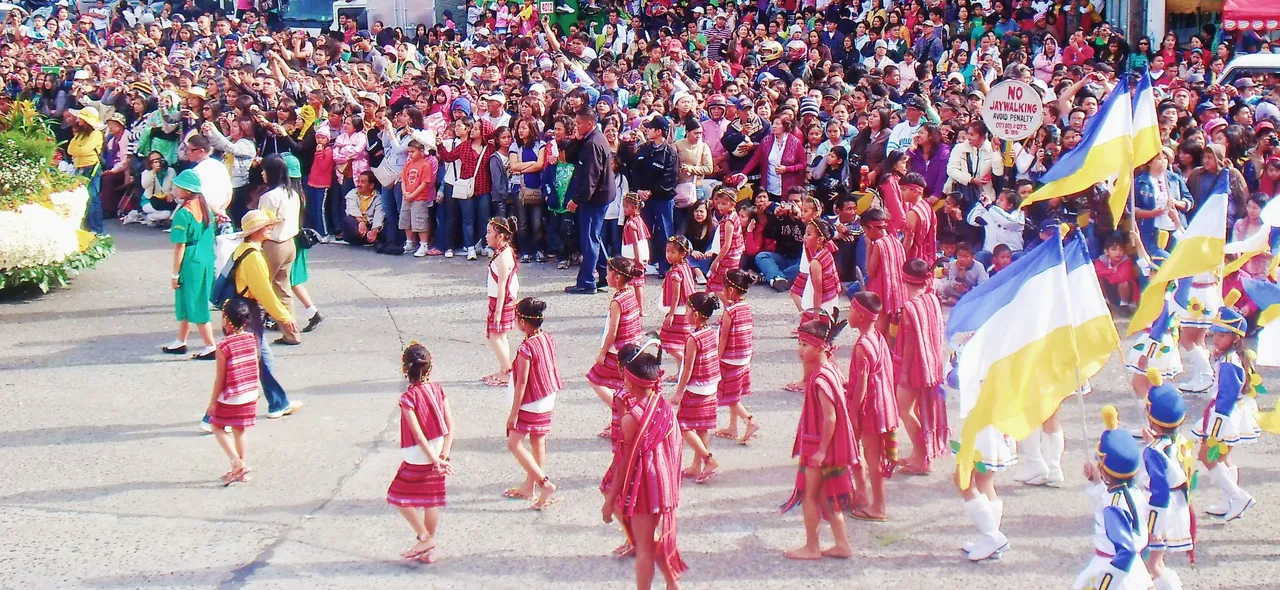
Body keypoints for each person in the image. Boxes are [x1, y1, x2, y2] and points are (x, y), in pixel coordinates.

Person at [600, 338, 688, 588]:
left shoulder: (632, 418)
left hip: (645, 487)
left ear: (628, 380)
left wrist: (609, 501)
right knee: (648, 540)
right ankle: (672, 583)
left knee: (644, 548)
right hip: (665, 483)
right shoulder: (664, 406)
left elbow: (624, 464)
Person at [781, 311, 856, 561]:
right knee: (827, 498)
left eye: (805, 345)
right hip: (827, 445)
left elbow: (830, 417)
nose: (799, 350)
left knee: (810, 497)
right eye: (799, 344)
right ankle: (842, 543)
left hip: (818, 445)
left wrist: (822, 450)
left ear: (819, 346)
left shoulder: (820, 379)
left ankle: (812, 547)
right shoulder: (830, 368)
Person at [221, 210, 304, 425]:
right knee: (241, 365)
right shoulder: (254, 257)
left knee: (263, 359)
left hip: (240, 309)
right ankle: (218, 416)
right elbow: (264, 292)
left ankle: (278, 402)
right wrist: (284, 316)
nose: (270, 228)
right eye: (266, 226)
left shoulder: (243, 250)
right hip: (247, 311)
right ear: (257, 231)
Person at [1190, 301, 1260, 522]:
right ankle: (1229, 500)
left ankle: (1238, 497)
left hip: (1224, 414)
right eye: (1215, 335)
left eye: (1222, 336)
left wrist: (1216, 424)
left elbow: (1228, 394)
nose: (1216, 339)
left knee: (1206, 456)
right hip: (1228, 412)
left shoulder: (1230, 361)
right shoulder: (1229, 357)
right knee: (1224, 457)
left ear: (1235, 338)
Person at [387, 342, 454, 564]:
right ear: (429, 367)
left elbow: (417, 435)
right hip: (437, 452)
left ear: (406, 369)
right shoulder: (438, 390)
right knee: (431, 500)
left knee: (397, 496)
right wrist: (443, 456)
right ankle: (428, 549)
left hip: (418, 456)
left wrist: (434, 460)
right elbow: (450, 426)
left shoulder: (408, 398)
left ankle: (424, 537)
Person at [1073, 407, 1152, 590]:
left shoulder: (1114, 505)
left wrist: (1106, 584)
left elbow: (1126, 550)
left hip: (1114, 569)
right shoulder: (1134, 492)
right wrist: (1097, 482)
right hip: (1136, 569)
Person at [845, 291, 900, 523]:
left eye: (851, 310)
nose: (848, 313)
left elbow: (863, 385)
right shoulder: (878, 337)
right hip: (883, 403)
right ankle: (862, 494)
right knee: (865, 455)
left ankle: (878, 506)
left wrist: (854, 413)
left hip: (870, 409)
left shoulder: (862, 347)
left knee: (871, 457)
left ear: (861, 315)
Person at [504, 297, 561, 511]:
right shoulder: (547, 338)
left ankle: (544, 483)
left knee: (514, 442)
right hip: (548, 395)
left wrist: (513, 413)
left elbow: (522, 383)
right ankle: (530, 486)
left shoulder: (526, 348)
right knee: (538, 441)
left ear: (522, 321)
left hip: (532, 400)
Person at [1137, 373, 1193, 590]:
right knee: (1156, 561)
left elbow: (1159, 489)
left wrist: (1153, 525)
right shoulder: (1180, 441)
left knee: (1153, 564)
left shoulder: (1153, 451)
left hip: (1159, 510)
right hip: (1176, 504)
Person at [894, 259, 947, 475]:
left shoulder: (910, 307)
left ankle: (922, 455)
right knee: (919, 409)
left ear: (904, 278)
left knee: (904, 409)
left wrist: (905, 373)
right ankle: (918, 455)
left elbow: (910, 344)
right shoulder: (932, 300)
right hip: (931, 363)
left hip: (915, 365)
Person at [586, 258, 645, 435]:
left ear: (617, 277)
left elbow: (613, 331)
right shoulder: (630, 294)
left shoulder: (617, 302)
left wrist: (602, 353)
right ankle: (628, 420)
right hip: (632, 348)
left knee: (595, 378)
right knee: (625, 389)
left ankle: (622, 422)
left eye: (608, 272)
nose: (605, 275)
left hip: (618, 352)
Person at [164, 169, 218, 361]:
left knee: (196, 302)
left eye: (177, 187)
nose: (174, 189)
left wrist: (174, 274)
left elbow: (180, 246)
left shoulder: (183, 214)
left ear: (186, 190)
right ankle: (181, 340)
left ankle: (210, 345)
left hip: (191, 261)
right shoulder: (206, 208)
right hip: (206, 257)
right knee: (188, 300)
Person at [206, 298, 258, 486]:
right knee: (239, 429)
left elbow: (220, 378)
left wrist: (213, 402)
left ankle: (237, 462)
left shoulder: (224, 346)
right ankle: (242, 470)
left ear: (226, 319)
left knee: (216, 426)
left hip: (232, 396)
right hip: (250, 393)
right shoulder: (252, 339)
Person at [672, 292, 722, 484]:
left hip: (696, 387)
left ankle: (708, 459)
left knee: (683, 426)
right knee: (702, 426)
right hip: (711, 384)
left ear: (695, 314)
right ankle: (696, 465)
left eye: (687, 310)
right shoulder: (711, 331)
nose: (685, 313)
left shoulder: (693, 338)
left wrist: (678, 392)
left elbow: (688, 368)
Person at [566, 108, 616, 294]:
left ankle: (587, 281)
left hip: (595, 198)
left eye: (579, 123)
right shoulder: (589, 139)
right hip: (599, 195)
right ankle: (604, 273)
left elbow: (591, 177)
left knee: (589, 239)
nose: (576, 126)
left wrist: (577, 200)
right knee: (594, 236)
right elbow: (570, 157)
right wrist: (577, 140)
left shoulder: (593, 143)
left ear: (589, 123)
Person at [255, 154, 302, 345]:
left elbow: (262, 223)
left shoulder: (269, 197)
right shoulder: (293, 193)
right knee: (283, 290)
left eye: (265, 170)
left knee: (258, 288)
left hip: (273, 245)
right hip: (290, 243)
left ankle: (251, 331)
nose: (262, 174)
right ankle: (291, 334)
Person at [714, 269, 759, 444]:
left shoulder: (729, 311)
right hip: (744, 356)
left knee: (728, 395)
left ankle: (749, 420)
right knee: (735, 392)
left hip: (730, 358)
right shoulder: (746, 307)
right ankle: (732, 427)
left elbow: (724, 338)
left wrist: (716, 359)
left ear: (730, 290)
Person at [484, 216, 521, 387]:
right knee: (501, 336)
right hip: (500, 300)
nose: (486, 236)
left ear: (500, 237)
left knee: (494, 335)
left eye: (490, 232)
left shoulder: (504, 258)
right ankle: (504, 369)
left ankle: (508, 372)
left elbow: (502, 287)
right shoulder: (503, 251)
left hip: (502, 301)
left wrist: (498, 312)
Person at [862, 208, 905, 336]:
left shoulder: (878, 245)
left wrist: (869, 248)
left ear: (871, 227)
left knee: (879, 329)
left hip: (881, 289)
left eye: (865, 230)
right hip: (895, 290)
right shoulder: (896, 241)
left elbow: (870, 271)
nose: (865, 234)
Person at [659, 236, 697, 371]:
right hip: (686, 310)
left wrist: (670, 314)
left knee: (666, 341)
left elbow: (676, 295)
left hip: (678, 312)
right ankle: (681, 372)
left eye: (672, 252)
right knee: (681, 343)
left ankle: (686, 364)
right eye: (667, 251)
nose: (668, 255)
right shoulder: (685, 266)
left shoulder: (676, 272)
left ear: (683, 254)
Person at [68, 107, 105, 234]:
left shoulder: (96, 134)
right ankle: (86, 226)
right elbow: (70, 149)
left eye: (81, 119)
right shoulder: (81, 134)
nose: (78, 121)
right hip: (79, 167)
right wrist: (79, 150)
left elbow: (84, 150)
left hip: (91, 168)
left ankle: (96, 228)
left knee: (93, 198)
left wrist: (78, 150)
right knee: (82, 197)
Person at [401, 140, 440, 257]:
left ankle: (423, 244)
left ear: (422, 151)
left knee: (420, 221)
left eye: (413, 151)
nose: (410, 154)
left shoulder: (425, 165)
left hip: (419, 198)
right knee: (406, 219)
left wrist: (412, 195)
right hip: (407, 196)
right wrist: (405, 193)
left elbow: (424, 183)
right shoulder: (408, 164)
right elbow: (403, 179)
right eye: (409, 152)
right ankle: (409, 242)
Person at [706, 187, 745, 295]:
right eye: (718, 203)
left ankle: (728, 305)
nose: (719, 206)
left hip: (729, 257)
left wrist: (716, 261)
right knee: (725, 283)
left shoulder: (729, 221)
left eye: (724, 204)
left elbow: (727, 244)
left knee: (716, 284)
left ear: (732, 204)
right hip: (733, 256)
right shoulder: (733, 215)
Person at [620, 193, 651, 316]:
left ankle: (635, 308)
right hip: (640, 256)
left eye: (626, 206)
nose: (624, 209)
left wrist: (637, 259)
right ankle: (639, 309)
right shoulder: (639, 220)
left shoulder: (632, 224)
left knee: (630, 283)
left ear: (634, 207)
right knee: (638, 284)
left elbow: (635, 243)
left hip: (633, 257)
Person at [899, 172, 935, 266]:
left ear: (915, 191)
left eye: (904, 190)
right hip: (928, 256)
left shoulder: (912, 213)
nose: (901, 193)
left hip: (915, 260)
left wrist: (899, 257)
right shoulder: (927, 206)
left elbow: (908, 240)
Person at [343, 171, 386, 247]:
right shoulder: (352, 193)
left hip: (370, 226)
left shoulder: (378, 197)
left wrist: (374, 230)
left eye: (362, 182)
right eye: (358, 181)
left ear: (371, 185)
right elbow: (352, 209)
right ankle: (371, 240)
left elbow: (379, 215)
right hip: (357, 226)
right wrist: (361, 222)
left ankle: (371, 237)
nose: (359, 184)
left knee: (386, 222)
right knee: (348, 219)